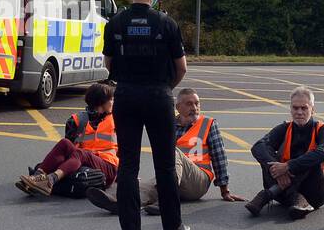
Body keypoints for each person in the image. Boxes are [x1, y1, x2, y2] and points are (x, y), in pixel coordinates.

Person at [105, 0, 190, 230]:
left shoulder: (115, 22)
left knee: (128, 165)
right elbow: (181, 67)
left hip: (126, 96)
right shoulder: (167, 23)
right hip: (158, 96)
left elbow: (109, 65)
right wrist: (166, 89)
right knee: (165, 164)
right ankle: (172, 227)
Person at [87, 87, 247, 214]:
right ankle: (120, 202)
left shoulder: (209, 123)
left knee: (172, 151)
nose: (194, 108)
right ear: (178, 107)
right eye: (189, 104)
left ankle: (165, 202)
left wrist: (224, 190)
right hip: (174, 179)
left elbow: (219, 156)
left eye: (197, 103)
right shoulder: (170, 125)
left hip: (198, 180)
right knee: (143, 186)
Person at [247, 85, 324, 219]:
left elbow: (323, 152)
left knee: (313, 157)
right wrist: (277, 170)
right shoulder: (284, 128)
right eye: (295, 108)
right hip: (283, 187)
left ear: (313, 109)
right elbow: (258, 146)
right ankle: (296, 198)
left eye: (304, 108)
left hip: (315, 193)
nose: (299, 112)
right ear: (290, 109)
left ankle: (267, 195)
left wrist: (288, 166)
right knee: (266, 155)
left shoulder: (323, 130)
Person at [18, 82, 119, 196]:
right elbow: (67, 152)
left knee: (80, 153)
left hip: (108, 166)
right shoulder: (76, 120)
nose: (113, 102)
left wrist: (128, 175)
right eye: (111, 99)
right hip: (85, 162)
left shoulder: (117, 120)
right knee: (64, 143)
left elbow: (124, 150)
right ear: (101, 102)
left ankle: (50, 180)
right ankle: (36, 177)